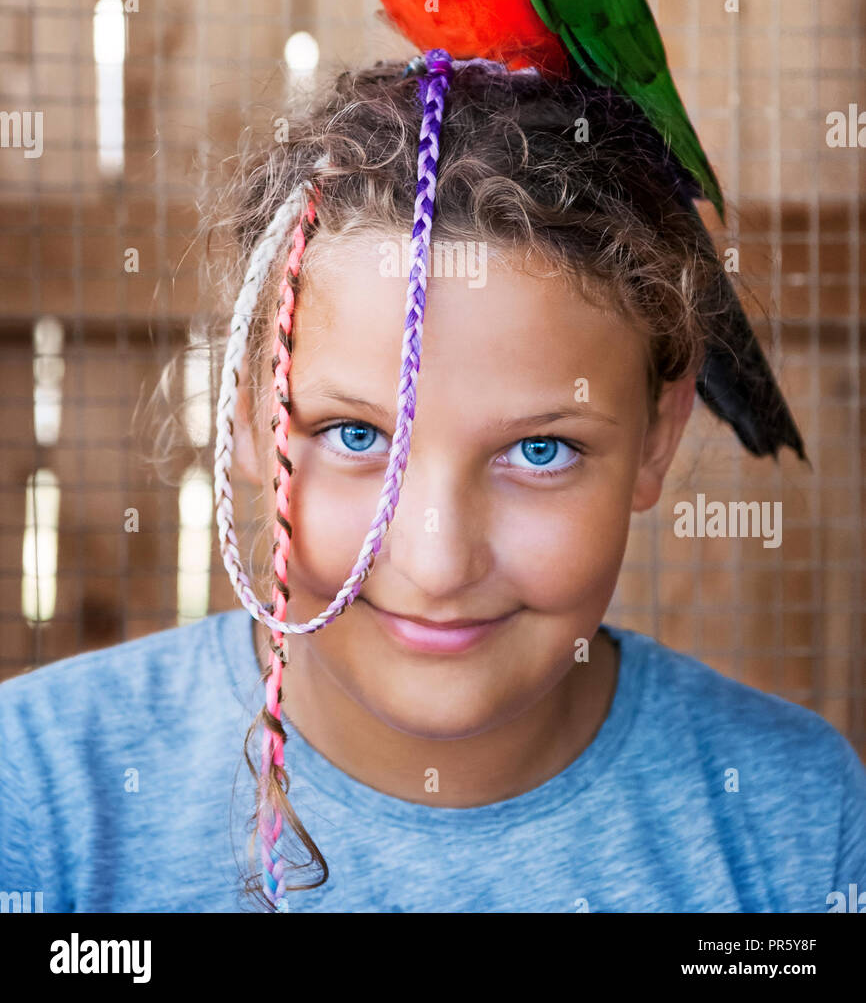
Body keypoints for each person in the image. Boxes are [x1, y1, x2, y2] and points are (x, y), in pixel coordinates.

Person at [1, 52, 864, 914]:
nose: (437, 564)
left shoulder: (798, 826)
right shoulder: (39, 802)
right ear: (246, 418)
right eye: (355, 435)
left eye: (539, 452)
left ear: (656, 439)